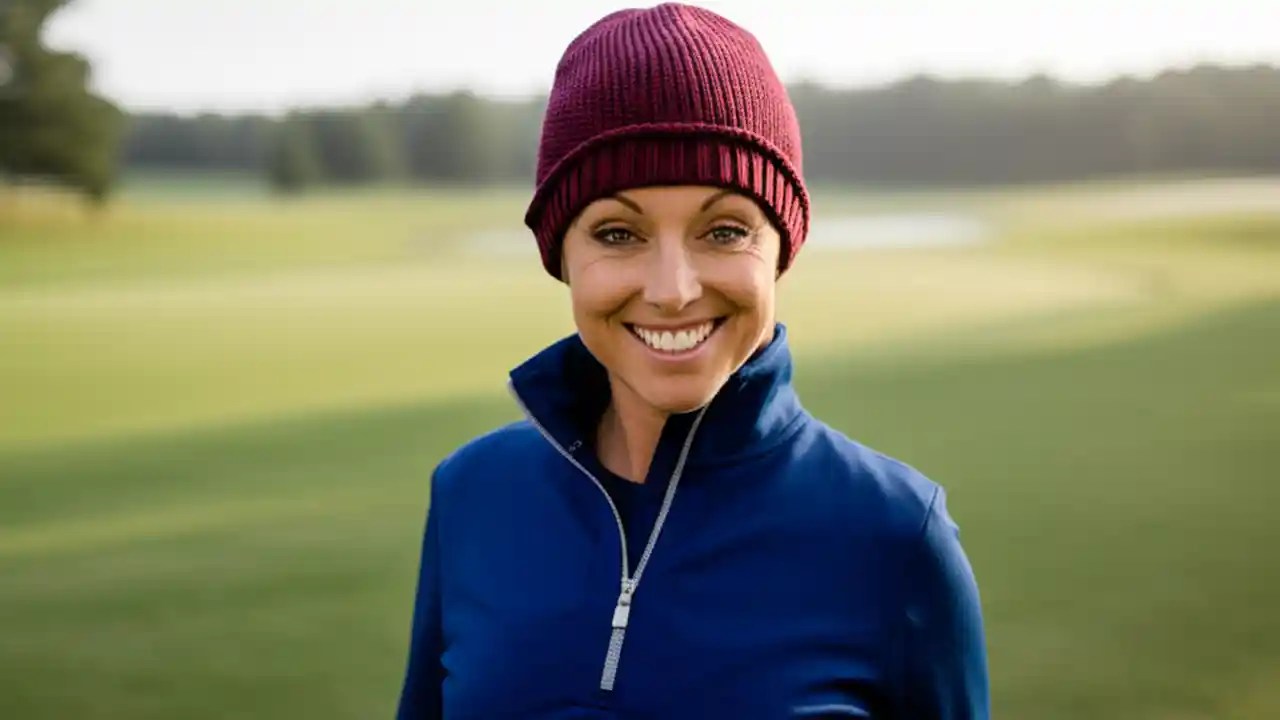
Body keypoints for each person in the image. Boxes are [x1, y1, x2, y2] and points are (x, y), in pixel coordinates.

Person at [395, 4, 989, 718]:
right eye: (617, 232)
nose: (673, 291)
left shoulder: (896, 536)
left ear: (780, 250)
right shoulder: (471, 495)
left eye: (725, 229)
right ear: (562, 256)